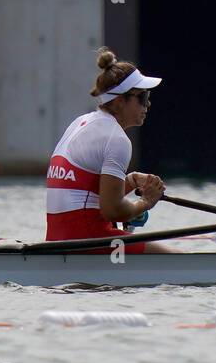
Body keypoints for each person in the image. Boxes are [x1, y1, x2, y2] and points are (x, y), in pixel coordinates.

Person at [45, 47, 169, 254]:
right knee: (174, 258)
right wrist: (146, 202)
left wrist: (130, 181)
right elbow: (113, 210)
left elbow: (90, 192)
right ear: (120, 101)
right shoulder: (116, 139)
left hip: (58, 239)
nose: (147, 104)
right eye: (142, 97)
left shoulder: (81, 122)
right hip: (88, 240)